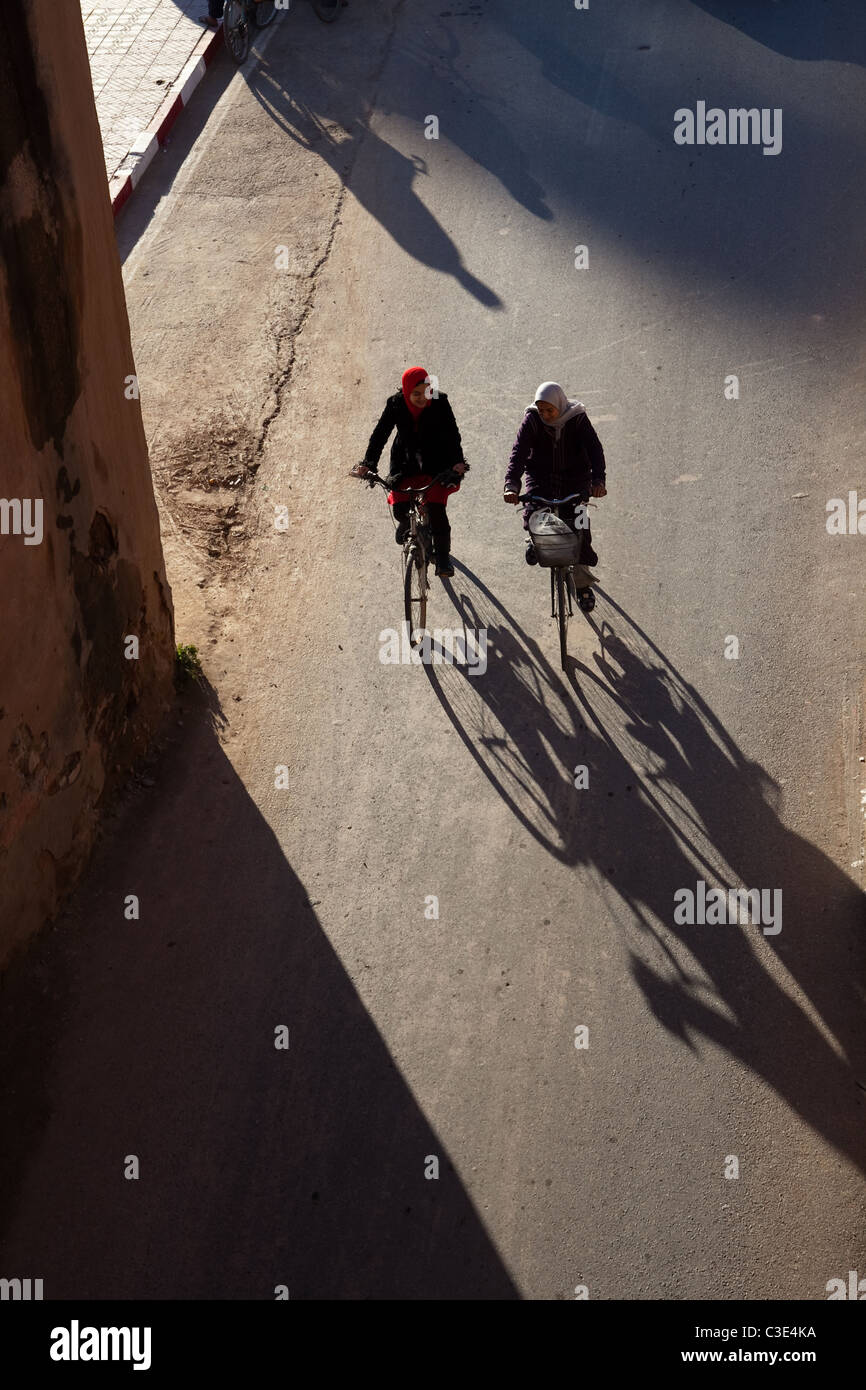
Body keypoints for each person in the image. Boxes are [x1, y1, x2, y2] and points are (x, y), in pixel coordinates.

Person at [357, 367, 467, 578]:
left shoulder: (439, 402)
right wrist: (369, 463)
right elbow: (380, 434)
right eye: (415, 394)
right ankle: (408, 524)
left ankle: (443, 559)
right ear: (406, 392)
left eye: (425, 392)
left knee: (437, 511)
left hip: (435, 462)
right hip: (404, 462)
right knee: (400, 509)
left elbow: (453, 434)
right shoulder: (396, 403)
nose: (422, 398)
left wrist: (457, 462)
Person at [503, 381, 607, 567]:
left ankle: (583, 585)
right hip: (541, 476)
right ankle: (534, 542)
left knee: (581, 526)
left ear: (559, 404)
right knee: (534, 513)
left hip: (577, 477)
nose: (545, 415)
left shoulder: (578, 418)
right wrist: (511, 484)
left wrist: (598, 481)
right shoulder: (532, 420)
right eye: (541, 410)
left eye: (549, 410)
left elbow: (595, 450)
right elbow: (518, 453)